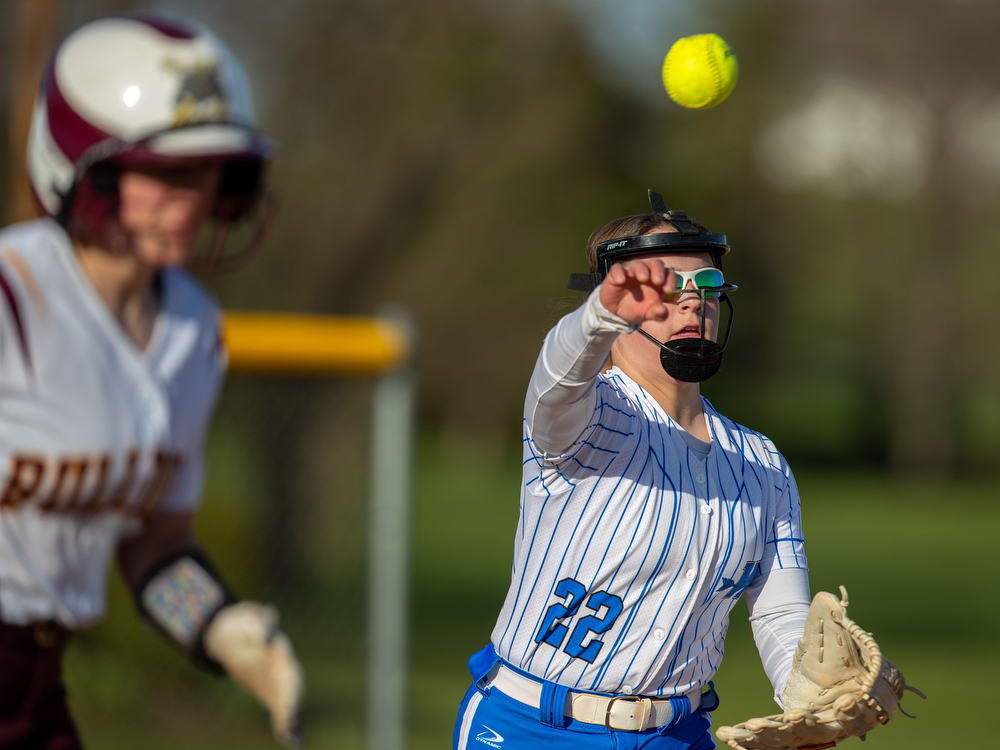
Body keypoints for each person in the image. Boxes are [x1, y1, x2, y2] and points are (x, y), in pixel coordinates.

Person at [0, 13, 302, 749]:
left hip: (37, 681)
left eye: (206, 172)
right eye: (163, 173)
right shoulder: (13, 294)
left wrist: (220, 626)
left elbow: (154, 544)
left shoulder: (193, 330)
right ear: (87, 169)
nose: (192, 198)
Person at [453, 191, 812, 750]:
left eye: (707, 287)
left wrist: (808, 702)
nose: (693, 303)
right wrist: (596, 317)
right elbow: (555, 379)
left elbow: (782, 612)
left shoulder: (761, 463)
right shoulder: (589, 415)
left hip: (679, 734)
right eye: (665, 288)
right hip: (532, 728)